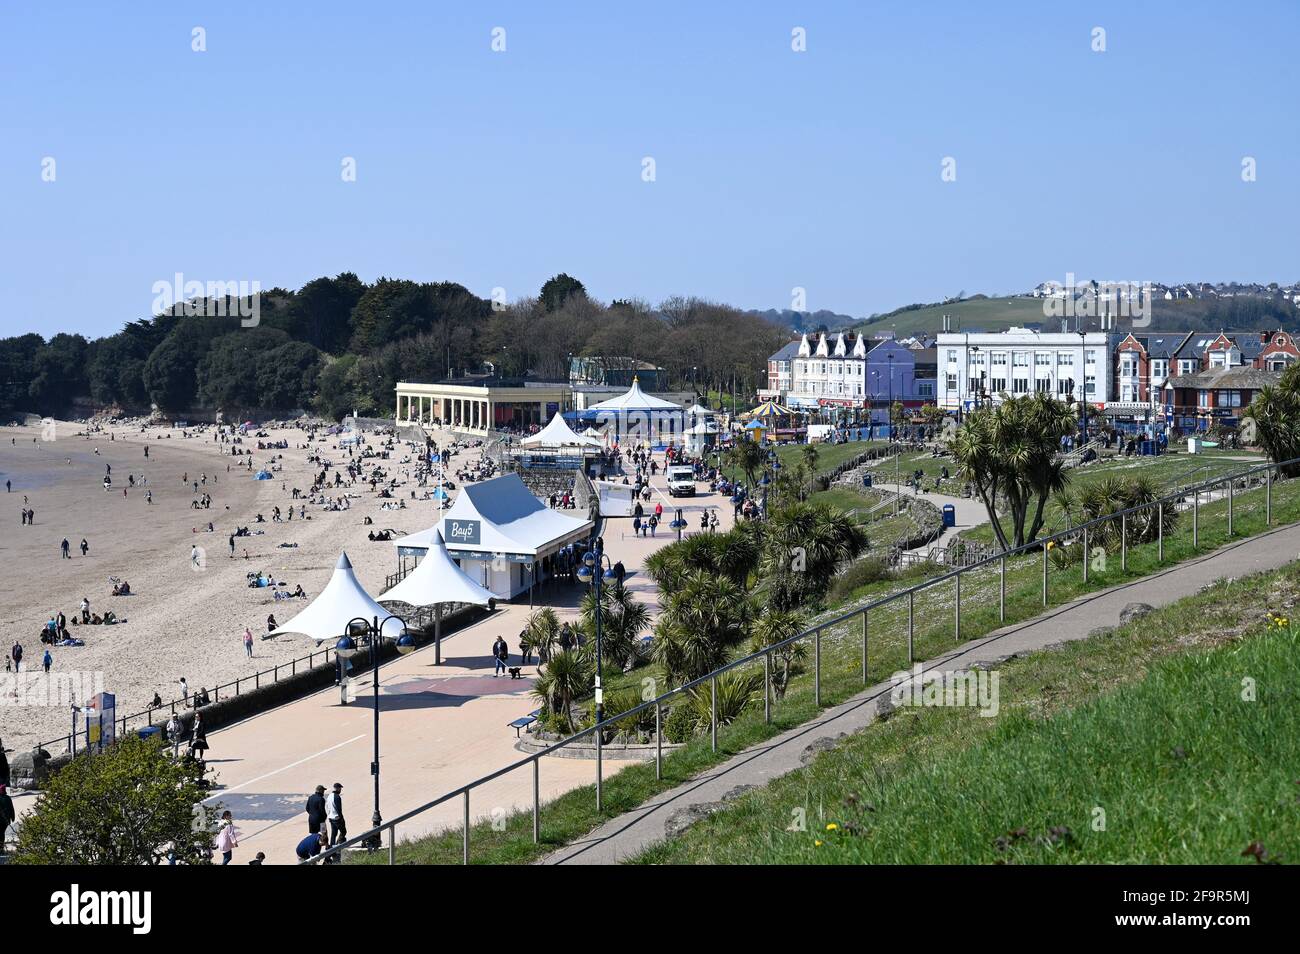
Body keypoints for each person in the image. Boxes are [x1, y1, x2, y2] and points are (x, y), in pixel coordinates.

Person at [326, 782, 347, 847]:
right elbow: (339, 809)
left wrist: (329, 815)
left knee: (334, 833)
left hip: (331, 817)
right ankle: (338, 845)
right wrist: (342, 818)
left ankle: (332, 848)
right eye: (340, 788)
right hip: (337, 818)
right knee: (343, 832)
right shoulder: (337, 797)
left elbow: (327, 807)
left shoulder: (329, 796)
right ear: (337, 788)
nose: (340, 790)